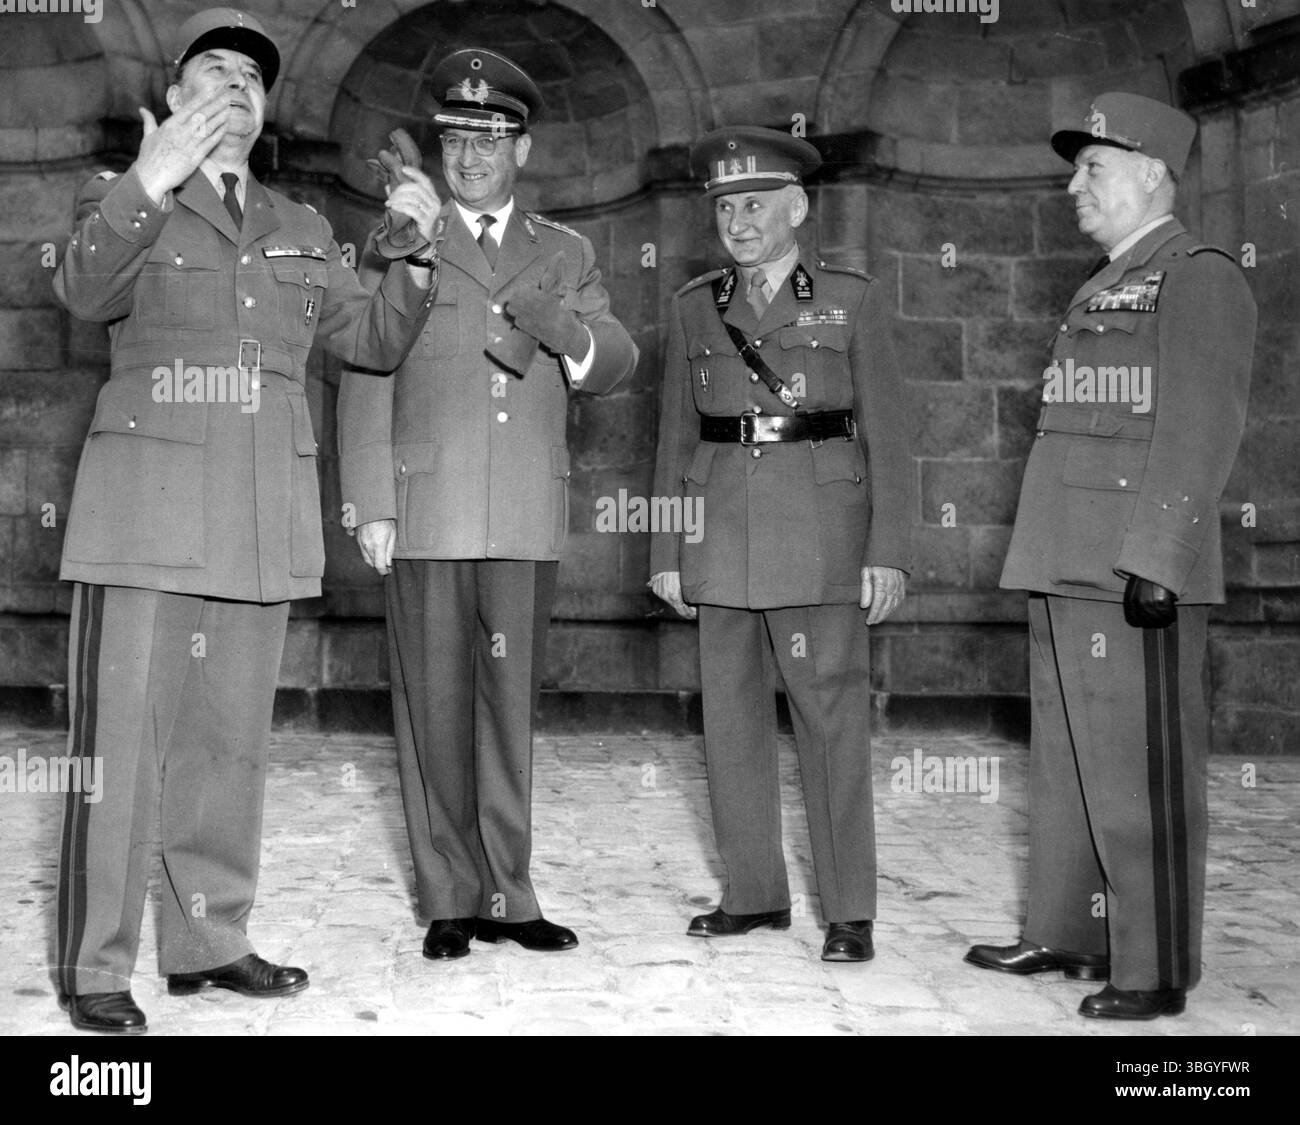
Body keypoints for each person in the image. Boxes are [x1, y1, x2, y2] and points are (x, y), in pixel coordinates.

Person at [51, 7, 440, 1034]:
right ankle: (97, 965)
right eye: (212, 68)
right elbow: (83, 293)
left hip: (261, 519)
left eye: (253, 77)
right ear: (171, 97)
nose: (235, 84)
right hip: (147, 516)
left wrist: (416, 251)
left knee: (229, 748)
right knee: (123, 752)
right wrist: (152, 178)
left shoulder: (303, 227)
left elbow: (371, 342)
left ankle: (209, 941)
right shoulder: (118, 197)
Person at [337, 48, 637, 962]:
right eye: (456, 137)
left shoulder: (568, 249)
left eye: (491, 136)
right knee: (433, 709)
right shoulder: (402, 232)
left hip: (518, 509)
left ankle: (511, 891)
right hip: (425, 504)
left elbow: (618, 364)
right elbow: (365, 364)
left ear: (524, 147)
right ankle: (447, 894)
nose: (469, 155)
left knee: (510, 709)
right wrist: (368, 501)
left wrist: (566, 330)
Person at [965, 92, 1256, 1020]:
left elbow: (1200, 429)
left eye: (1092, 167)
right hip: (1065, 556)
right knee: (1068, 758)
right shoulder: (1106, 280)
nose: (1072, 184)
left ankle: (1155, 964)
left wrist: (1162, 559)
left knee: (1140, 768)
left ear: (1152, 173)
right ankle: (1066, 926)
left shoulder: (1198, 274)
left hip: (1134, 568)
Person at [649, 126, 912, 962]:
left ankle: (849, 909)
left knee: (831, 721)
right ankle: (754, 893)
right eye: (725, 206)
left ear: (797, 206)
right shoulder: (695, 304)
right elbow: (669, 437)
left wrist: (891, 550)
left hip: (821, 535)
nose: (739, 219)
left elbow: (894, 437)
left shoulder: (851, 297)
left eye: (755, 202)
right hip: (718, 530)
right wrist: (664, 549)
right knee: (728, 724)